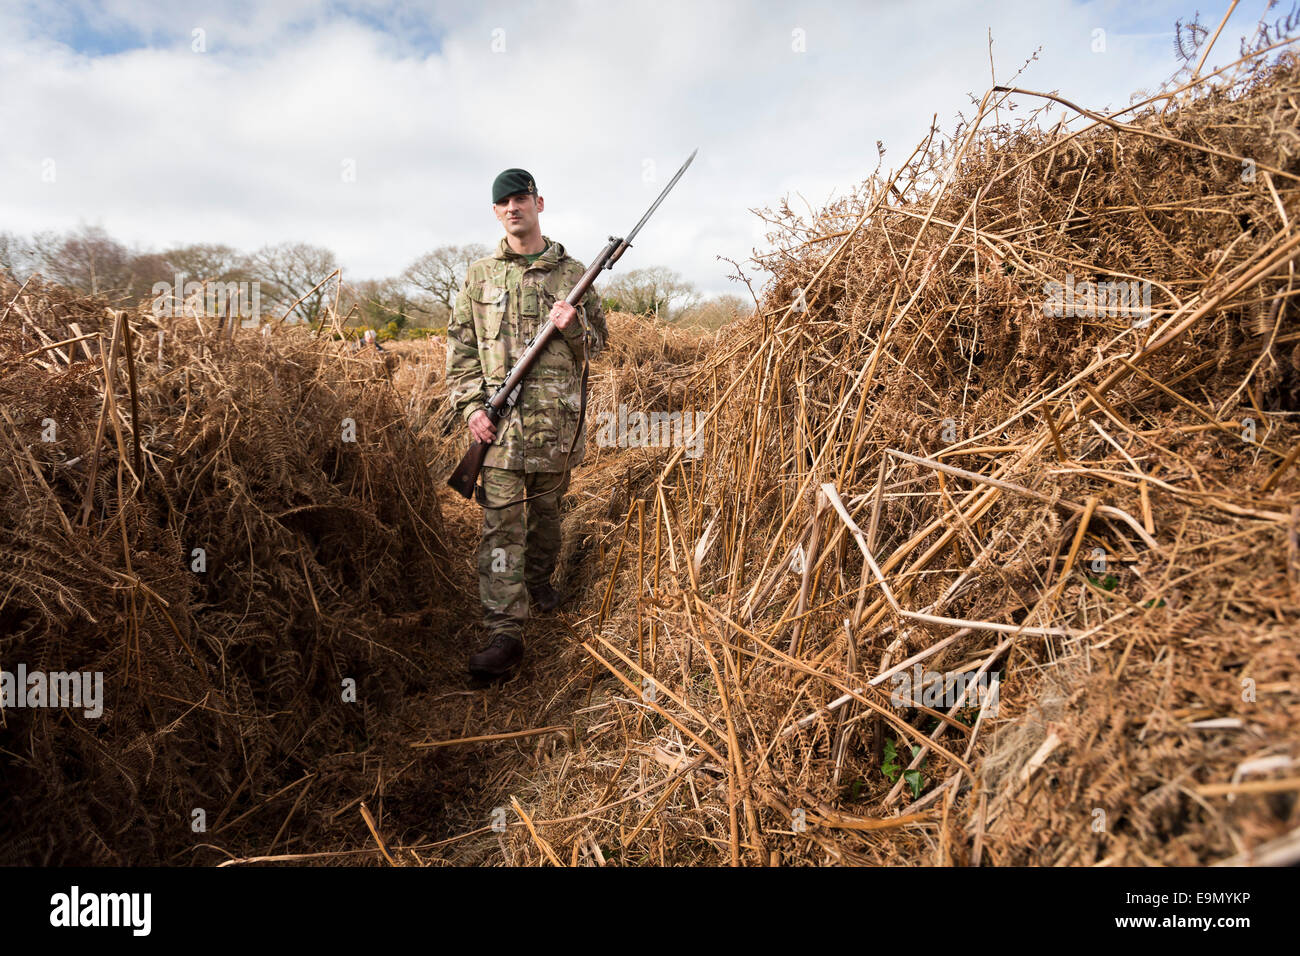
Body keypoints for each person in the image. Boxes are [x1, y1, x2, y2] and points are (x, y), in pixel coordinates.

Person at [445, 168, 608, 679]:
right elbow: (461, 352)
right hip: (499, 433)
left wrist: (574, 327)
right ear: (496, 213)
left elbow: (600, 348)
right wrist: (472, 408)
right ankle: (504, 632)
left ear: (540, 203)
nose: (513, 208)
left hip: (555, 431)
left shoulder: (575, 273)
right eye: (503, 203)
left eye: (521, 199)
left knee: (546, 524)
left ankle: (539, 583)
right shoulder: (478, 277)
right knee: (501, 531)